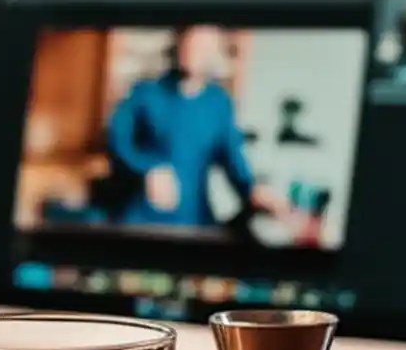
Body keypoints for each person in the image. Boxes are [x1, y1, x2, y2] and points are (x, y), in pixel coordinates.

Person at [107, 25, 281, 227]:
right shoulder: (144, 93)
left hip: (194, 218)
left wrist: (254, 191)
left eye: (202, 45)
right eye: (190, 42)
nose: (193, 51)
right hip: (143, 216)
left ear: (216, 52)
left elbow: (233, 160)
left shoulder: (218, 104)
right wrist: (147, 168)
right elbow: (117, 142)